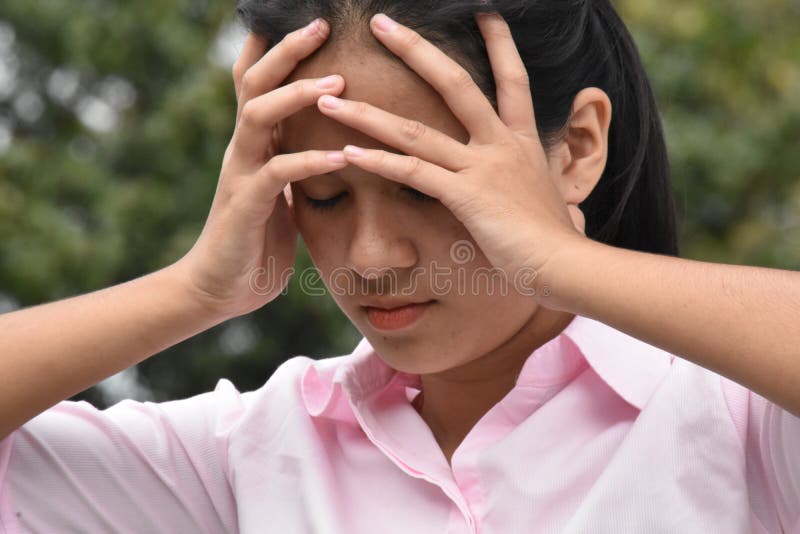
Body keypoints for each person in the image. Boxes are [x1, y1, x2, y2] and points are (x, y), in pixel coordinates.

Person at [1, 1, 798, 532]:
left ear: (579, 146)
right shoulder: (249, 455)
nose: (371, 256)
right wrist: (195, 290)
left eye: (428, 186)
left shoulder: (733, 423)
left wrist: (562, 261)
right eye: (322, 197)